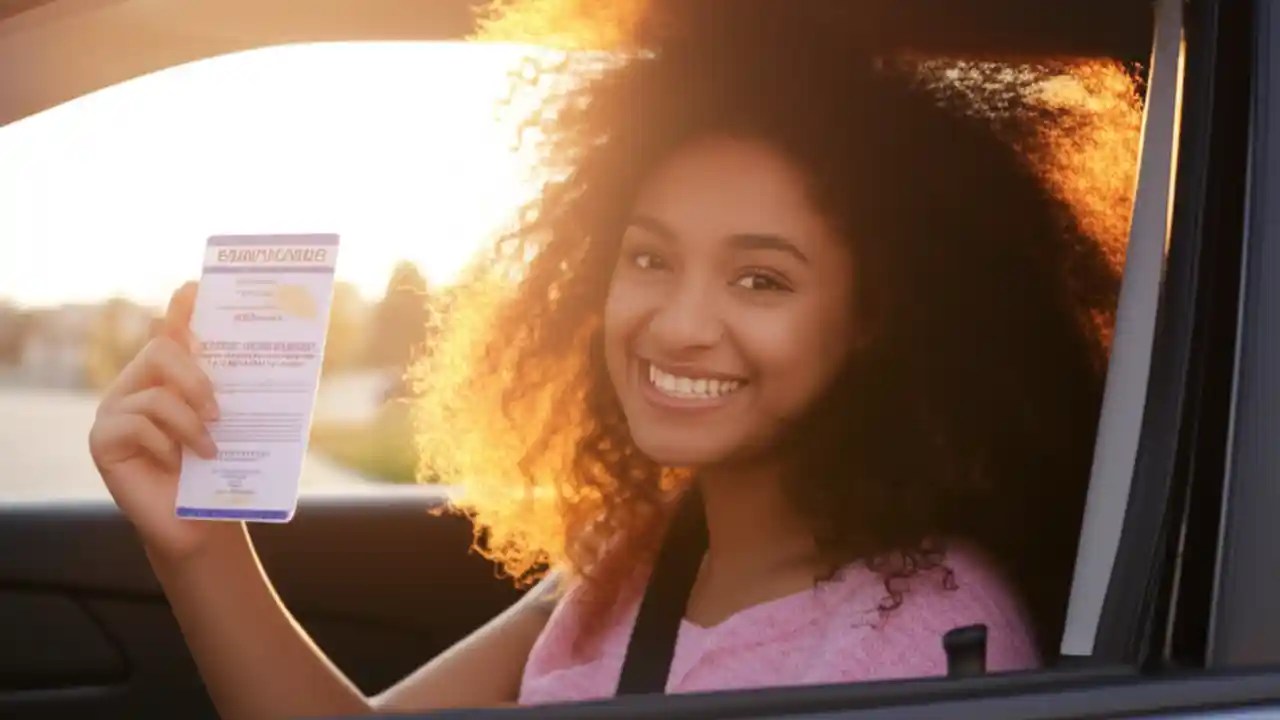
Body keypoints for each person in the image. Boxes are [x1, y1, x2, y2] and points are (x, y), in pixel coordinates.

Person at [88, 0, 1140, 716]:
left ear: (875, 315)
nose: (677, 323)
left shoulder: (930, 632)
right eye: (648, 258)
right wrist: (201, 547)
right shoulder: (627, 556)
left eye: (760, 279)